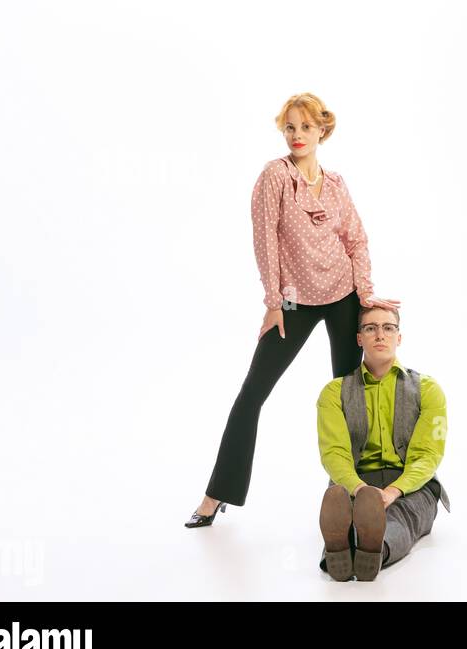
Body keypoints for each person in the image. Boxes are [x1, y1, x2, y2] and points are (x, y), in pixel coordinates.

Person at [186, 92, 400, 528]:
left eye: (305, 127)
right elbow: (265, 242)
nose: (297, 135)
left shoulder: (337, 184)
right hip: (293, 301)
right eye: (290, 127)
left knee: (349, 397)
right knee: (252, 394)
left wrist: (366, 293)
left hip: (343, 297)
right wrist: (274, 303)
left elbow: (356, 240)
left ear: (322, 130)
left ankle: (350, 495)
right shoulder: (275, 177)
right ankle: (216, 494)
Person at [316, 304, 451, 581]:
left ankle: (371, 550)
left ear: (398, 337)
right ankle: (343, 545)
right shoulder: (334, 393)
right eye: (370, 328)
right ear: (359, 338)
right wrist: (360, 488)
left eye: (388, 328)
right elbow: (334, 454)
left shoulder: (428, 389)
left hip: (411, 484)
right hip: (355, 480)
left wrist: (393, 491)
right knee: (352, 507)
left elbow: (428, 454)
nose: (380, 335)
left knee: (404, 515)